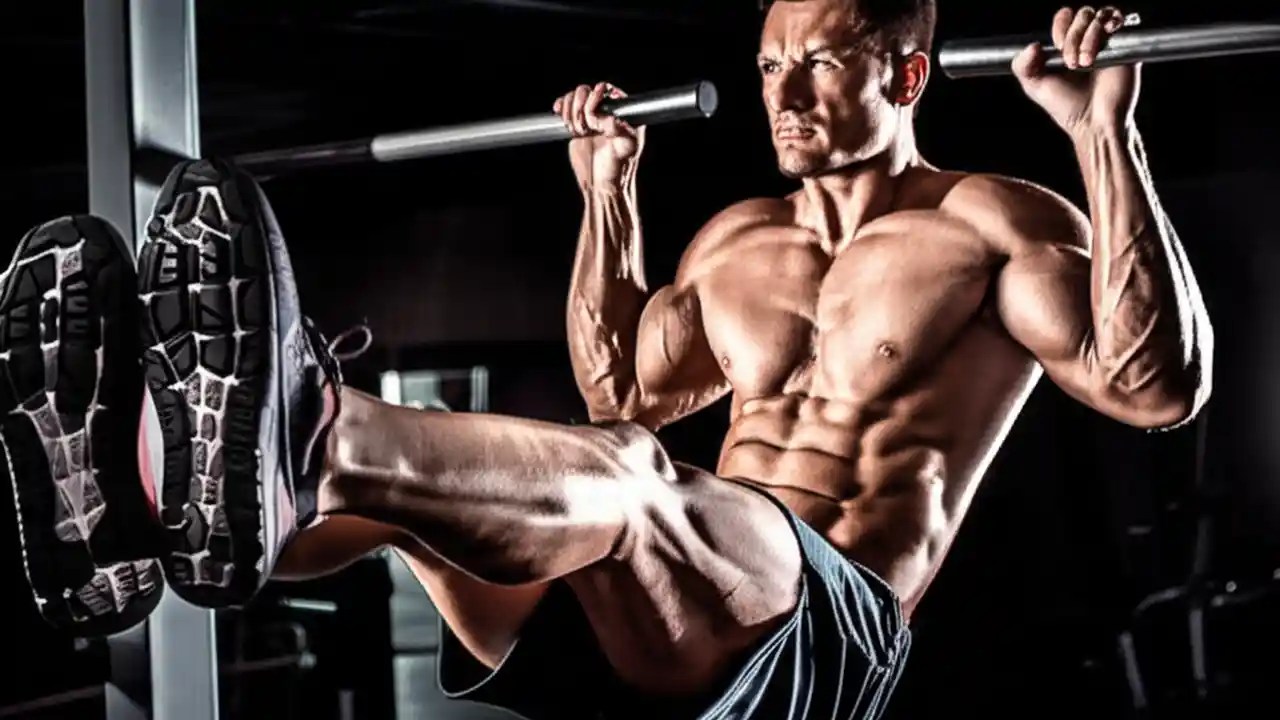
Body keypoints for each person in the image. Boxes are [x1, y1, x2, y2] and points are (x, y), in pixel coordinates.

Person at [1, 1, 1211, 718]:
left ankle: (302, 429)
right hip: (659, 605)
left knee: (623, 477)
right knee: (444, 501)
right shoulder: (740, 238)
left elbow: (1152, 384)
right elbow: (624, 383)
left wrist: (1104, 131)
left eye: (819, 62)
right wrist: (607, 197)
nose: (780, 90)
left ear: (901, 71)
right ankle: (140, 509)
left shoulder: (994, 222)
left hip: (819, 632)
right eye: (768, 62)